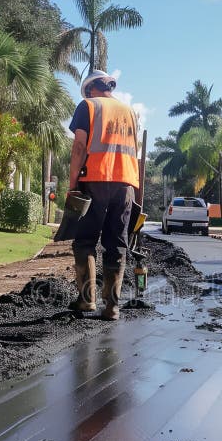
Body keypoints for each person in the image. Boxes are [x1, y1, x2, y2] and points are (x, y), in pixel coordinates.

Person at [67, 70, 139, 321]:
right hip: (125, 184)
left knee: (85, 241)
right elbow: (133, 150)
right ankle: (112, 308)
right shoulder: (130, 112)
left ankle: (87, 300)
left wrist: (72, 184)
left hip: (94, 180)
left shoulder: (87, 106)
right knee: (117, 243)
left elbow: (79, 147)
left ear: (89, 90)